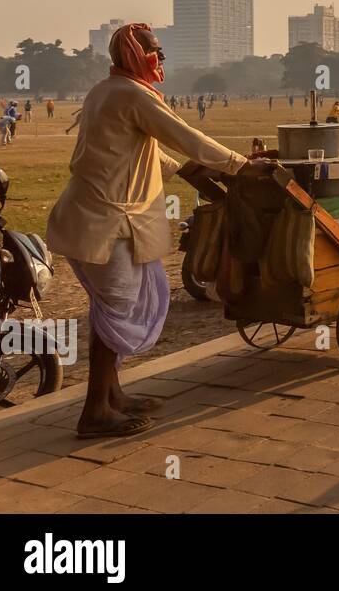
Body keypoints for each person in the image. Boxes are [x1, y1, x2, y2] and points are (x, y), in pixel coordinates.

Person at [46, 23, 273, 439]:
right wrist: (241, 166)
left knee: (110, 311)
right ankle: (96, 410)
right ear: (134, 56)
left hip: (90, 217)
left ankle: (112, 395)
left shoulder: (106, 91)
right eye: (154, 51)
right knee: (116, 310)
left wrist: (187, 171)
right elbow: (185, 137)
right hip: (106, 223)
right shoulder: (133, 95)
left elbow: (138, 150)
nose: (161, 58)